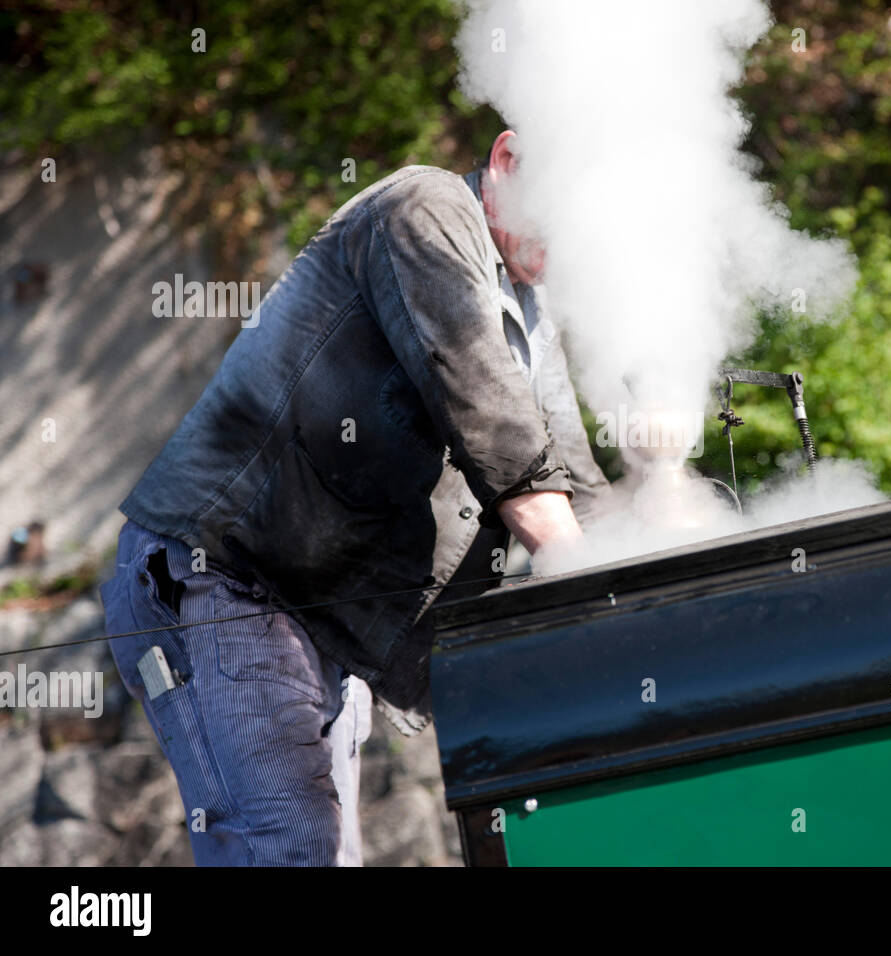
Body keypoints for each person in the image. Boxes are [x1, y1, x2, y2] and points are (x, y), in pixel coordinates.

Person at [99, 130, 611, 865]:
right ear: (508, 161)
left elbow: (572, 476)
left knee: (327, 853)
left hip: (321, 611)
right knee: (290, 848)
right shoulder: (424, 208)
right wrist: (584, 585)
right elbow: (487, 409)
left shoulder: (531, 304)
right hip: (223, 574)